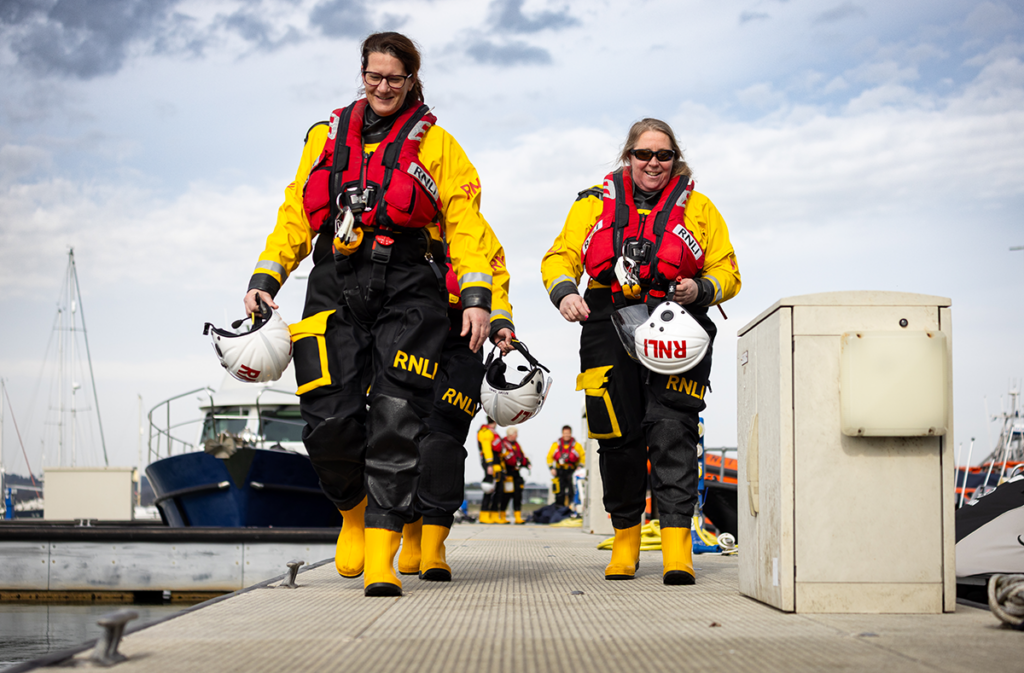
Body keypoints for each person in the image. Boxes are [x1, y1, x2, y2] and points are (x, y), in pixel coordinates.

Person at [244, 32, 506, 597]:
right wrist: (265, 279)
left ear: (412, 80)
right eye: (374, 76)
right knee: (326, 418)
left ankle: (385, 548)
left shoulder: (441, 146)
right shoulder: (324, 137)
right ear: (362, 74)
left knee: (396, 416)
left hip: (411, 286)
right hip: (334, 281)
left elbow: (467, 227)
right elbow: (295, 213)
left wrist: (479, 299)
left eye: (395, 78)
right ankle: (353, 513)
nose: (383, 87)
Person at [540, 118, 741, 585]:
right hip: (607, 320)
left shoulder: (700, 209)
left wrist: (700, 288)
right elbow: (559, 257)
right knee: (616, 435)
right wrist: (565, 292)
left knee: (673, 430)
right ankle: (625, 542)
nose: (653, 163)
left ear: (675, 159)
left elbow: (728, 271)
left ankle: (677, 549)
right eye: (644, 154)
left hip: (678, 321)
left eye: (663, 155)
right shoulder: (592, 203)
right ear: (627, 156)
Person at [400, 240, 515, 580]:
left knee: (444, 440)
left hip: (465, 337)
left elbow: (496, 282)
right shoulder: (404, 220)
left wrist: (501, 323)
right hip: (409, 330)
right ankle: (410, 537)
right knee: (403, 435)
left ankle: (434, 546)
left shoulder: (478, 233)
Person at [547, 425, 584, 511]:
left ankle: (571, 509)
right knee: (559, 492)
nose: (566, 435)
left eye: (568, 433)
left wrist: (580, 467)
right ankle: (559, 509)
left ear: (571, 433)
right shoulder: (555, 445)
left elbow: (583, 457)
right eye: (565, 433)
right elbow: (549, 457)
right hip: (559, 471)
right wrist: (551, 468)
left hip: (571, 471)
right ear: (562, 434)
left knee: (572, 491)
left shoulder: (577, 445)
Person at [499, 427, 531, 524]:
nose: (517, 435)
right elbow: (503, 457)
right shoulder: (503, 444)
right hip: (507, 474)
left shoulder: (517, 445)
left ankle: (518, 517)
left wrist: (526, 463)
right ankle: (502, 516)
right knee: (506, 496)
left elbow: (522, 455)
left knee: (518, 495)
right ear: (510, 434)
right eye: (515, 434)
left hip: (516, 473)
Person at [476, 418, 503, 523]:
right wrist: (489, 465)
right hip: (490, 463)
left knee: (498, 490)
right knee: (488, 490)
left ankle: (494, 514)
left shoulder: (492, 432)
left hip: (497, 464)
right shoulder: (485, 432)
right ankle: (484, 514)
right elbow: (486, 449)